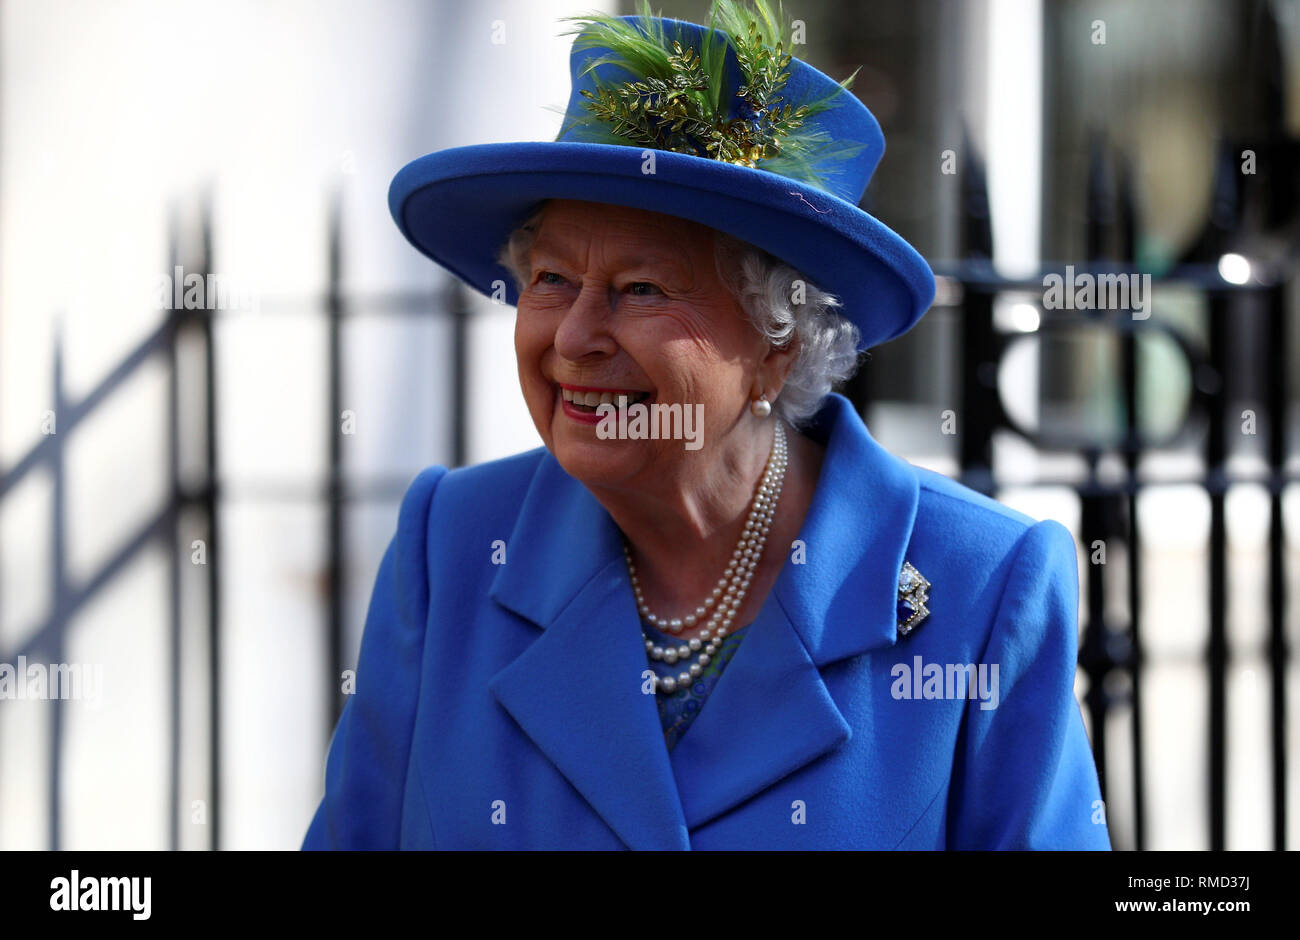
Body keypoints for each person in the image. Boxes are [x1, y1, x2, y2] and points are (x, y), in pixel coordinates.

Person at [302, 0, 1111, 850]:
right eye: (549, 279)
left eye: (641, 289)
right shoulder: (453, 548)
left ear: (779, 344)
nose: (573, 338)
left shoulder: (980, 588)